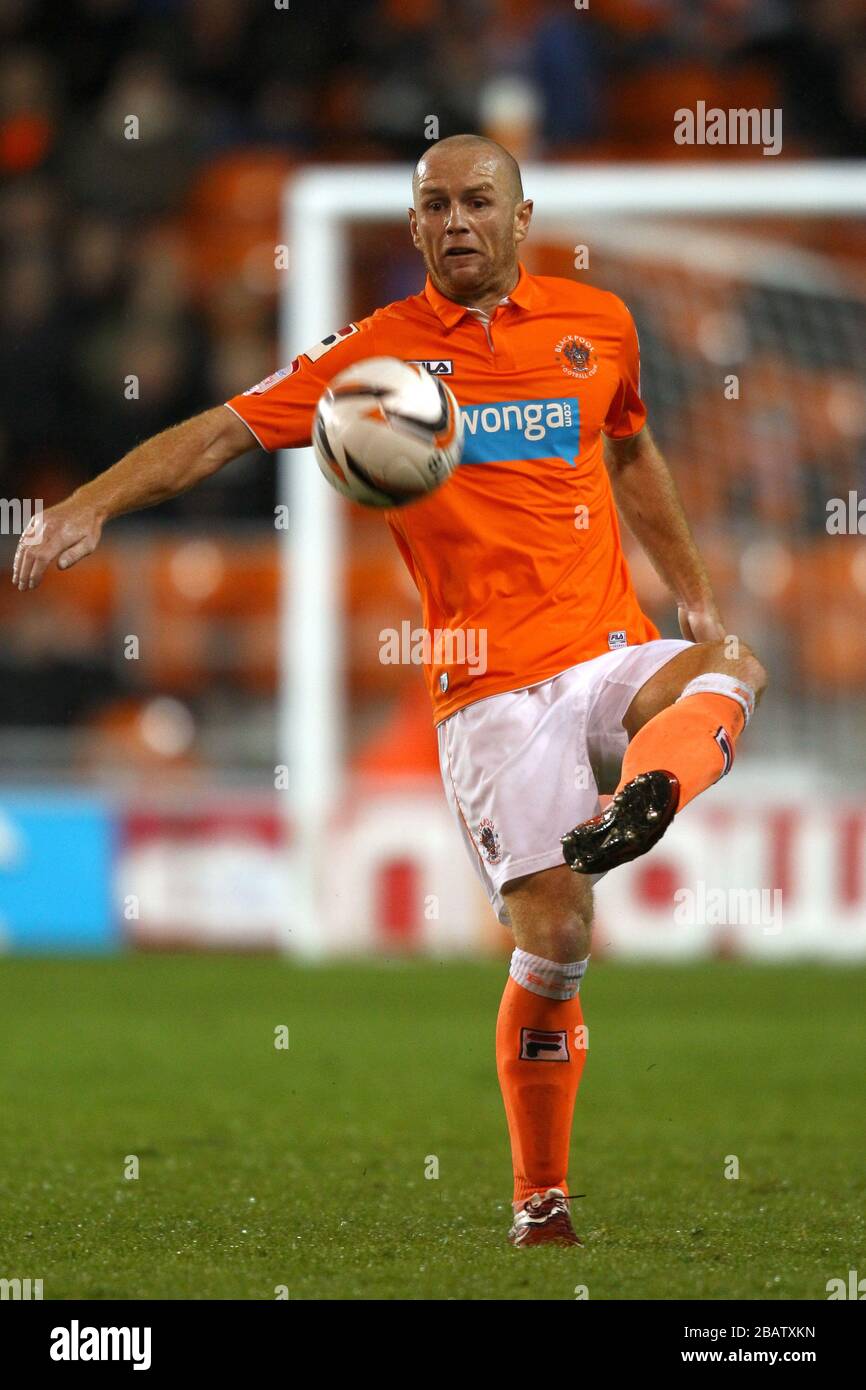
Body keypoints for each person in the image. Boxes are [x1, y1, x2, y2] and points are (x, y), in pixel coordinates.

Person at [13, 134, 767, 1249]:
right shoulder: (374, 361)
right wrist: (92, 501)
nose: (454, 221)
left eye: (475, 201)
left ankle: (638, 802)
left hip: (606, 640)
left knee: (729, 665)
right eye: (432, 206)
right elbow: (223, 430)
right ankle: (539, 1196)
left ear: (521, 217)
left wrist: (695, 596)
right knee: (556, 943)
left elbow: (632, 448)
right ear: (411, 229)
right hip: (488, 689)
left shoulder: (595, 323)